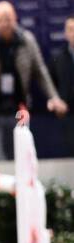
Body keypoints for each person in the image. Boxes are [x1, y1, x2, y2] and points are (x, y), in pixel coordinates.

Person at [0, 0, 68, 160]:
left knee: (21, 155)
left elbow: (40, 71)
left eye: (9, 19)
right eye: (1, 20)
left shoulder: (27, 41)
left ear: (15, 18)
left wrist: (53, 97)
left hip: (18, 108)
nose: (5, 24)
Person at [51, 16, 74, 154]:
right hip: (68, 115)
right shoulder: (58, 59)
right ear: (65, 33)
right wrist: (57, 101)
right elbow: (50, 83)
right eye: (70, 29)